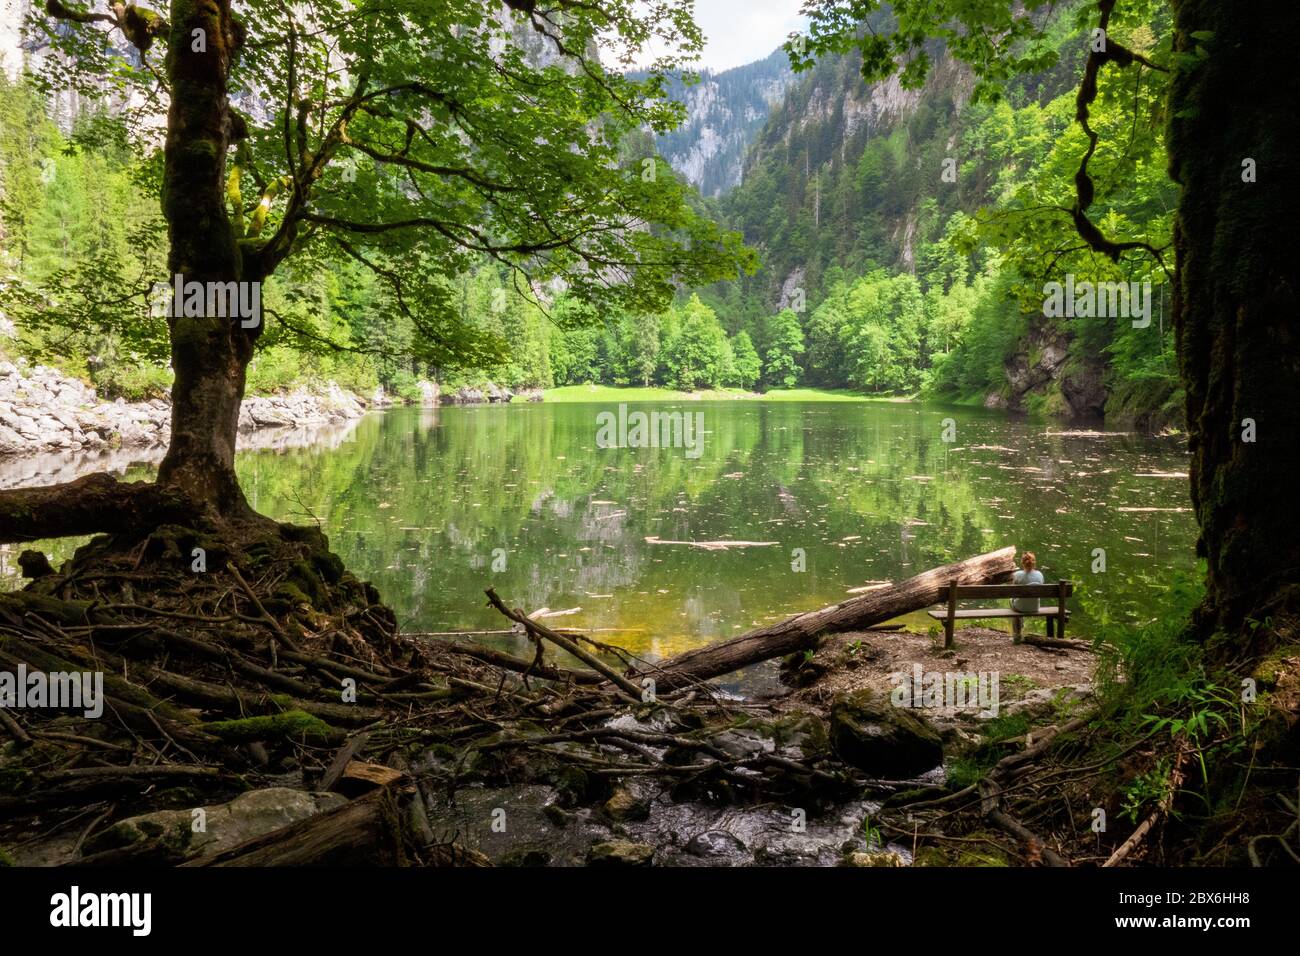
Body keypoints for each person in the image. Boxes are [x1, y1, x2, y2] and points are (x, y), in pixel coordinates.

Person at [1010, 551, 1044, 643]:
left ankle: (1017, 635)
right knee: (1020, 601)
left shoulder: (1017, 575)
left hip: (1020, 608)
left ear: (1022, 562)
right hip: (1035, 607)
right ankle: (1020, 628)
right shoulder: (1040, 575)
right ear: (1034, 562)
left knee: (1012, 602)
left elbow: (1013, 593)